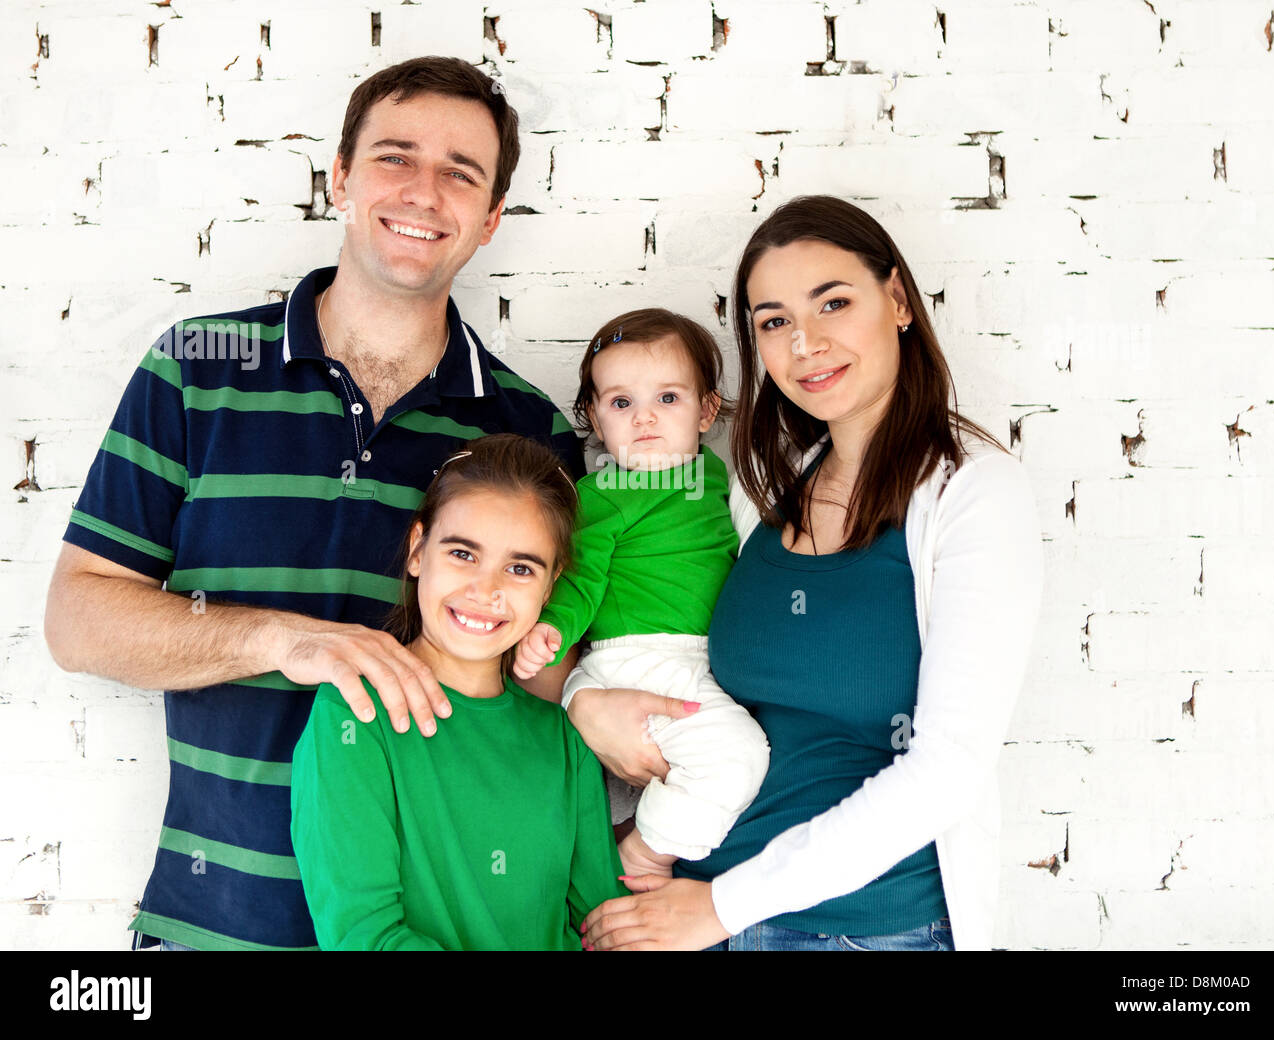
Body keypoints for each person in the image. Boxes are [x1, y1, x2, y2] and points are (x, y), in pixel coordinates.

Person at [40, 57, 630, 951]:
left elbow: (534, 690)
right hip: (215, 929)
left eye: (462, 173)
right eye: (395, 157)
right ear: (341, 179)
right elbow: (78, 622)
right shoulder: (198, 370)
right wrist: (284, 641)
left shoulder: (528, 435)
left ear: (492, 217)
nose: (425, 192)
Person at [574, 195, 1044, 951]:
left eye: (832, 302)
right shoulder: (759, 491)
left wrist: (725, 905)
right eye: (773, 321)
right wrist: (587, 705)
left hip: (863, 930)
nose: (806, 342)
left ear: (896, 301)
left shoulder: (973, 494)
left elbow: (947, 769)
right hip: (697, 908)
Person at [290, 434, 628, 950]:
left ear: (551, 582)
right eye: (463, 553)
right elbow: (365, 936)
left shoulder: (563, 739)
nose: (485, 590)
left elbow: (602, 928)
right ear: (418, 550)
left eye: (520, 568)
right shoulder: (355, 714)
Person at [511, 309, 770, 880]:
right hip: (638, 660)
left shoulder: (715, 477)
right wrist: (552, 629)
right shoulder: (603, 493)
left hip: (693, 662)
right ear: (596, 420)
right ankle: (646, 859)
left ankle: (609, 868)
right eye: (621, 403)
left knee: (649, 784)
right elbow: (578, 573)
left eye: (668, 399)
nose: (645, 418)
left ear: (706, 411)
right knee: (738, 756)